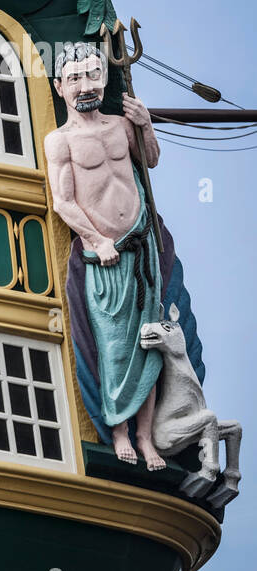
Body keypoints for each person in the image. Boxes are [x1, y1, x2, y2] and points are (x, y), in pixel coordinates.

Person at [44, 42, 164, 469]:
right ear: (60, 87)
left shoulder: (120, 125)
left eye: (93, 74)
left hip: (140, 243)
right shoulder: (60, 141)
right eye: (74, 78)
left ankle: (146, 436)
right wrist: (97, 241)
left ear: (105, 78)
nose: (85, 85)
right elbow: (64, 201)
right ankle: (118, 431)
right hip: (105, 254)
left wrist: (145, 125)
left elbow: (148, 162)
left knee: (149, 342)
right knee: (114, 344)